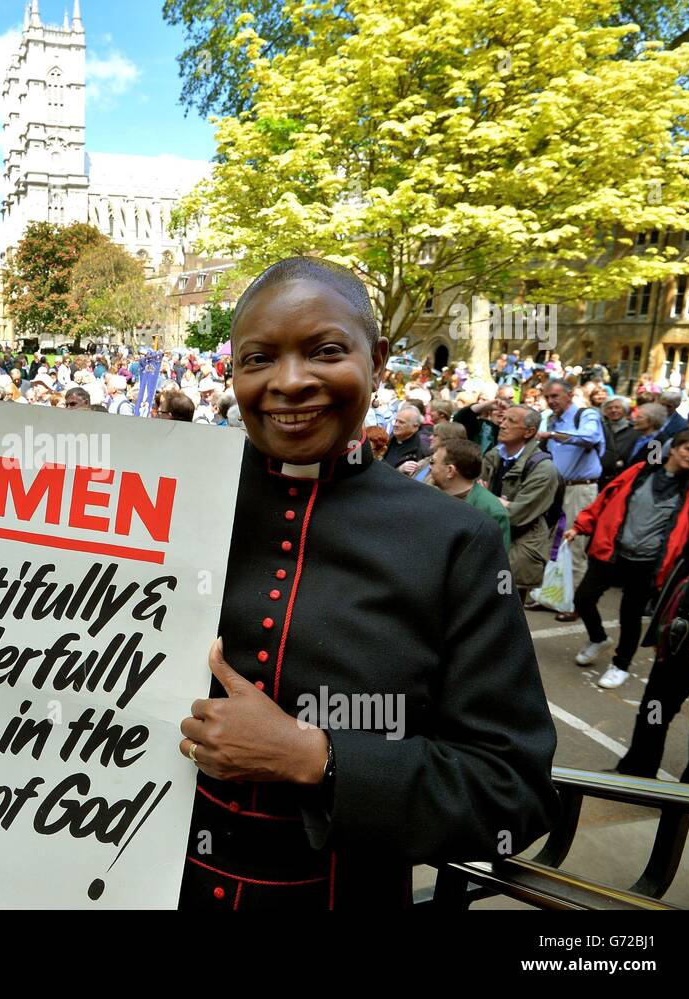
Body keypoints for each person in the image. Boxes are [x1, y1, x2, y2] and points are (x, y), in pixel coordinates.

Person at [175, 257, 556, 910]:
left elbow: (512, 790)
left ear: (377, 361)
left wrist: (315, 757)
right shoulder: (170, 496)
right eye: (257, 358)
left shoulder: (451, 542)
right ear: (231, 370)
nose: (289, 383)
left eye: (324, 351)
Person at [567, 430, 689, 689]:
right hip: (613, 550)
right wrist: (580, 525)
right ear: (673, 448)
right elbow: (607, 497)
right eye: (688, 449)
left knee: (629, 615)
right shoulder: (642, 471)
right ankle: (597, 638)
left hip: (648, 563)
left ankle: (621, 665)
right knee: (583, 597)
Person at [613, 529, 689, 783]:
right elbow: (673, 587)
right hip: (676, 651)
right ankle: (639, 769)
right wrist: (657, 634)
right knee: (654, 710)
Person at [539, 377, 606, 622]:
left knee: (574, 544)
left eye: (555, 396)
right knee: (549, 542)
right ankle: (548, 594)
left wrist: (553, 434)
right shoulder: (551, 419)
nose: (551, 401)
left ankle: (574, 602)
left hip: (581, 489)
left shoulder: (586, 416)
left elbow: (589, 437)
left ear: (570, 394)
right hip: (556, 489)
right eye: (547, 396)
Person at [482, 406, 561, 600]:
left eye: (511, 421)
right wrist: (500, 502)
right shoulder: (494, 455)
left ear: (530, 431)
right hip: (492, 541)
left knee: (504, 607)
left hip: (519, 550)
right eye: (503, 419)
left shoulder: (544, 469)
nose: (502, 424)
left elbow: (515, 515)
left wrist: (486, 498)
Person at [427, 438, 511, 551]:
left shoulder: (491, 512)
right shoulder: (432, 495)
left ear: (450, 471)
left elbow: (495, 562)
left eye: (432, 462)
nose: (429, 467)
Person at [599, 397, 638, 489]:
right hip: (601, 477)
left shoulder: (635, 430)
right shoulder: (600, 428)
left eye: (617, 407)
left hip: (624, 478)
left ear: (625, 410)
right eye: (609, 408)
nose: (613, 410)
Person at [383, 405, 429, 469]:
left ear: (415, 427)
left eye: (401, 422)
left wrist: (399, 470)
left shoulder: (420, 451)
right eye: (396, 421)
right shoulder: (389, 440)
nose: (396, 425)